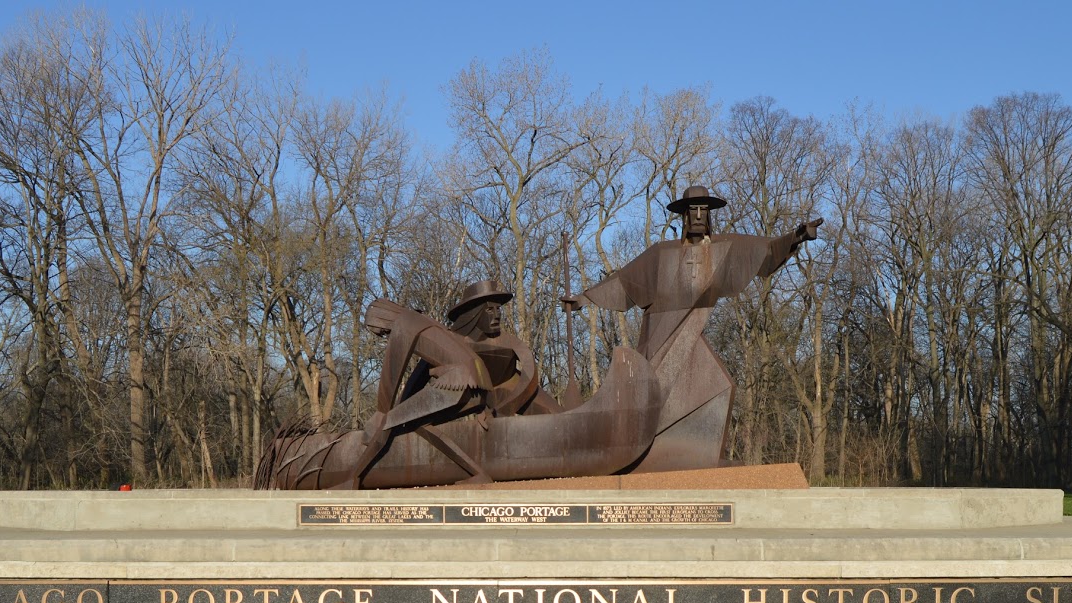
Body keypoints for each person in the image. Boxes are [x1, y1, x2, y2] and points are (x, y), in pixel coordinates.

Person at [563, 185, 819, 470]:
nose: (698, 216)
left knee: (719, 386)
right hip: (660, 332)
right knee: (659, 391)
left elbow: (766, 251)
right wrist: (584, 298)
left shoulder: (725, 248)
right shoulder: (662, 253)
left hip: (692, 328)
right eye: (692, 210)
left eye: (703, 210)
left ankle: (698, 457)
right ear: (683, 216)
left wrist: (796, 237)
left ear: (709, 216)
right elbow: (625, 281)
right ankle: (650, 454)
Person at [349, 280, 558, 487]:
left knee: (386, 422)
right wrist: (404, 411)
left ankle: (352, 479)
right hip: (476, 382)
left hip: (459, 381)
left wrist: (382, 412)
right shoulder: (426, 324)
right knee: (420, 424)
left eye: (383, 333)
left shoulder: (403, 324)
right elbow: (417, 378)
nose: (386, 336)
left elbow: (391, 375)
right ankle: (477, 473)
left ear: (382, 319)